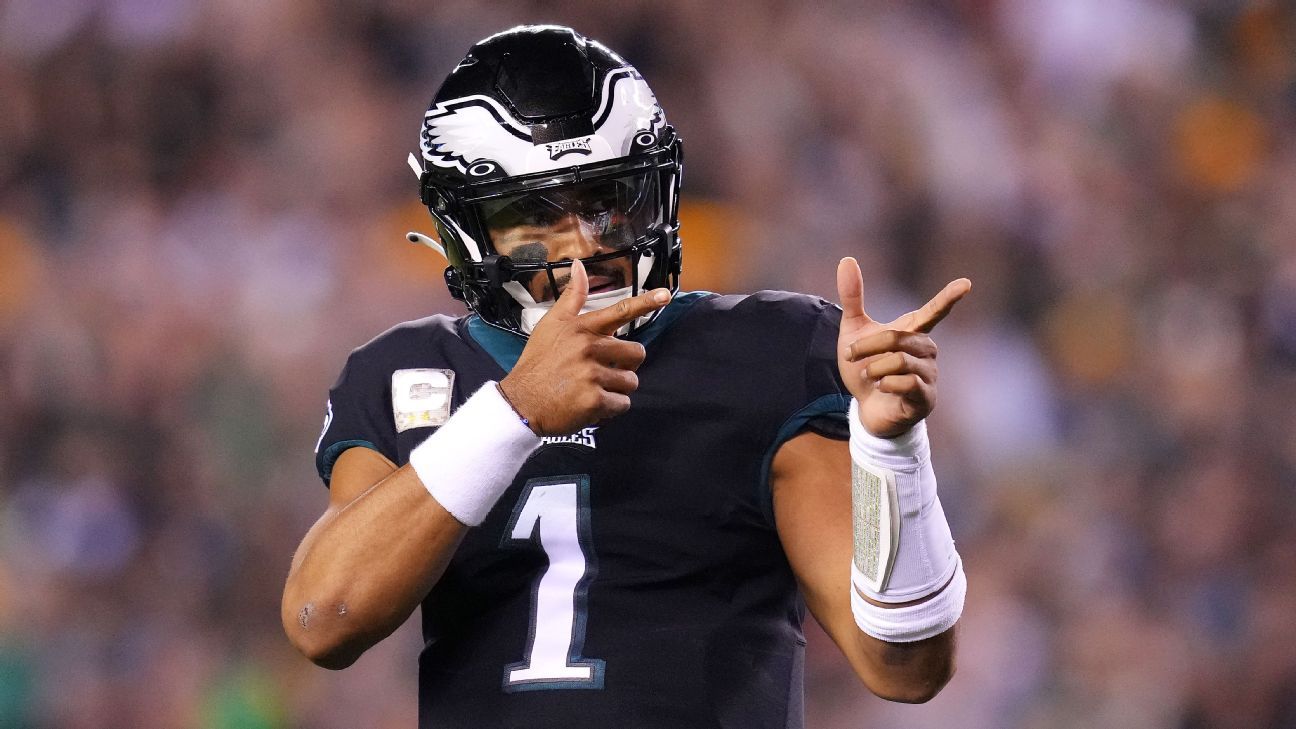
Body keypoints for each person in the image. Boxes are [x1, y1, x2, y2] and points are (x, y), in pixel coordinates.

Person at [282, 24, 971, 728]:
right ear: (465, 227)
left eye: (608, 200)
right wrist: (513, 412)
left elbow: (906, 668)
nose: (585, 243)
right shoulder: (410, 372)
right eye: (535, 215)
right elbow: (322, 620)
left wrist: (894, 449)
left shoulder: (768, 352)